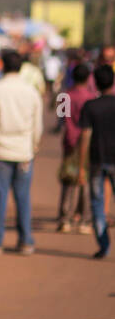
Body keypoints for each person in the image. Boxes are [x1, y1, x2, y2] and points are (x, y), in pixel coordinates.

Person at [0, 49, 42, 256]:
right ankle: (26, 241)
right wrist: (33, 147)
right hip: (23, 152)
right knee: (23, 198)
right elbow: (37, 126)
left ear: (3, 65)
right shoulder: (31, 91)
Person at [78, 64, 115, 259]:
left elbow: (84, 135)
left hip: (96, 161)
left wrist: (81, 165)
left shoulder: (89, 105)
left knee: (97, 203)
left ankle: (104, 245)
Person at [58, 62, 96, 232]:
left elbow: (61, 120)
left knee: (68, 180)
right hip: (88, 144)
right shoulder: (92, 97)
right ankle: (84, 220)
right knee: (85, 180)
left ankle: (65, 218)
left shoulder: (64, 96)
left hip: (69, 142)